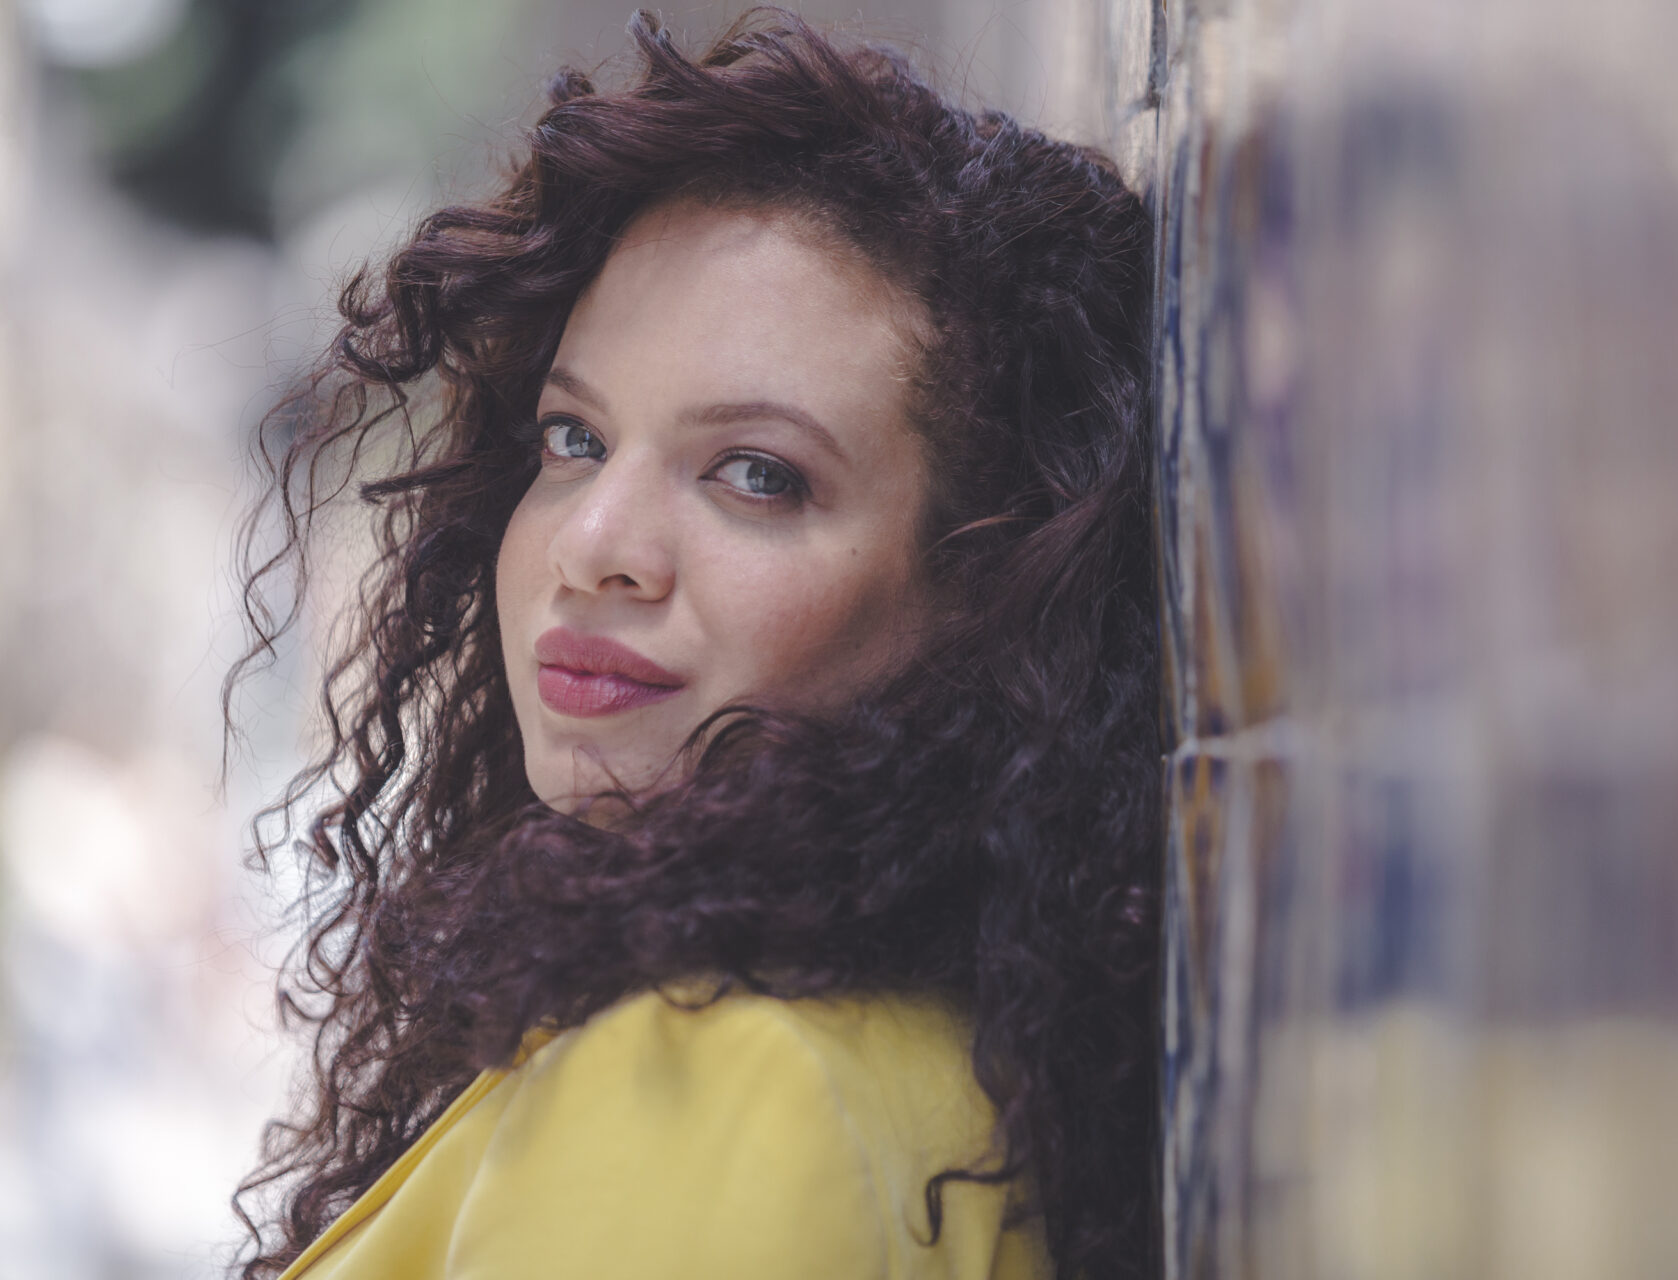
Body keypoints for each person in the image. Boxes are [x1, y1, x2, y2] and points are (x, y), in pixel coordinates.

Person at [229, 9, 1160, 1279]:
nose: (595, 541)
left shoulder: (718, 1072)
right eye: (574, 439)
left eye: (759, 474)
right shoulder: (940, 1063)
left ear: (985, 583)